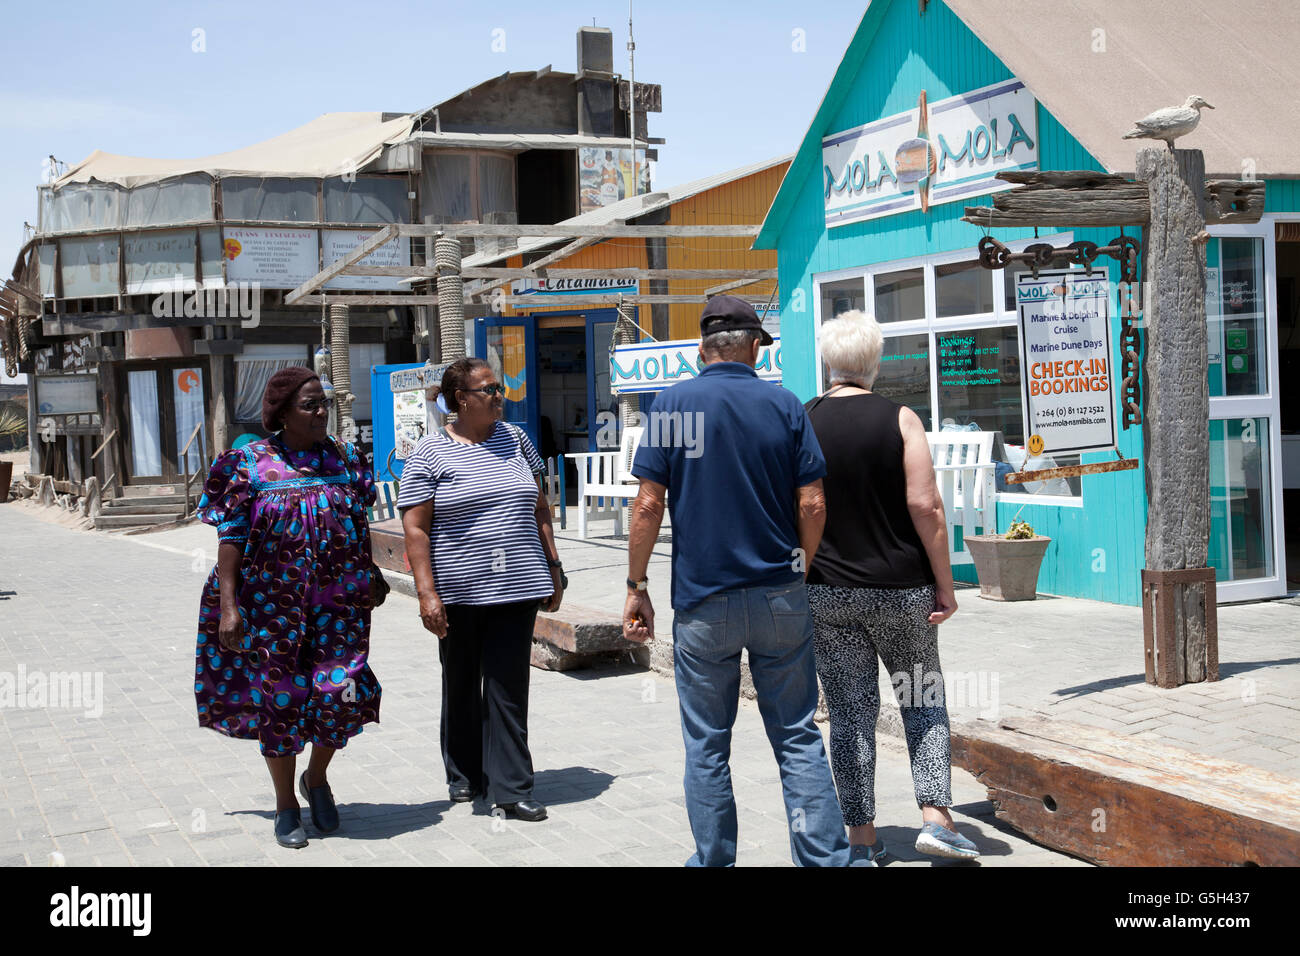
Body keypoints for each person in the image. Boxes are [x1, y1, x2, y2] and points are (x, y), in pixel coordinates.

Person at [622, 295, 850, 867]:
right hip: (780, 596)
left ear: (703, 348)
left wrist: (636, 584)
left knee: (706, 745)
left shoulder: (672, 405)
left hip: (703, 601)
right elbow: (814, 501)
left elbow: (648, 506)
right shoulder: (784, 406)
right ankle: (824, 860)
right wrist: (801, 564)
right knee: (797, 736)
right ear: (753, 347)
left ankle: (714, 860)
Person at [804, 310, 977, 863]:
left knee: (850, 712)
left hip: (827, 592)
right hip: (902, 590)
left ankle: (862, 840)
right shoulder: (901, 419)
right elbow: (925, 506)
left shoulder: (804, 419)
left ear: (829, 362)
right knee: (921, 697)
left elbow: (799, 505)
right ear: (874, 362)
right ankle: (936, 818)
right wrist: (945, 586)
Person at [194, 366, 381, 850]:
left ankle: (316, 778)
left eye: (325, 404)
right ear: (282, 412)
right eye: (310, 405)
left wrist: (374, 572)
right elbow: (231, 537)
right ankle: (285, 804)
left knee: (339, 694)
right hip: (270, 608)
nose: (322, 413)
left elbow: (359, 520)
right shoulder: (248, 463)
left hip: (339, 606)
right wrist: (229, 607)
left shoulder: (343, 456)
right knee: (282, 701)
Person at [398, 357, 564, 822]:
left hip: (519, 584)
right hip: (459, 590)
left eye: (499, 388)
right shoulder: (430, 453)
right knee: (463, 680)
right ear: (460, 400)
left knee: (509, 685)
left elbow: (541, 507)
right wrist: (427, 594)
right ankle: (465, 772)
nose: (498, 396)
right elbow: (416, 530)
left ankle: (511, 787)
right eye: (488, 390)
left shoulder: (517, 441)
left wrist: (554, 565)